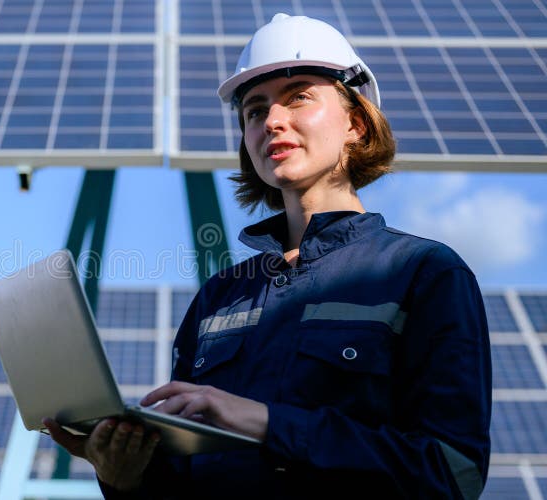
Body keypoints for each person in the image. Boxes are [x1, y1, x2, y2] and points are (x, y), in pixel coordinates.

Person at [44, 13, 491, 499]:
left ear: (355, 124)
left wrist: (265, 422)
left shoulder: (423, 274)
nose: (272, 120)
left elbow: (453, 472)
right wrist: (123, 475)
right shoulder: (219, 297)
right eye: (254, 111)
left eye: (299, 95)